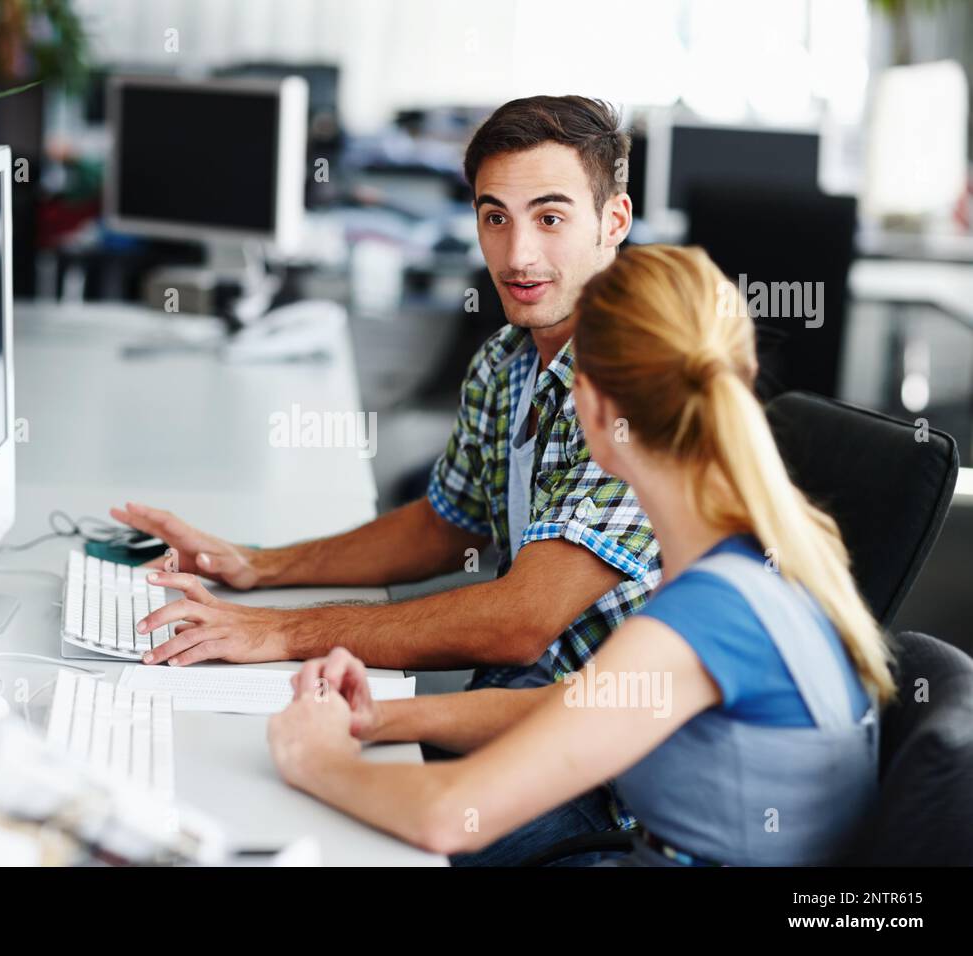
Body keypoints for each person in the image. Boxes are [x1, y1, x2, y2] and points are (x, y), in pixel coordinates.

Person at [117, 96, 657, 864]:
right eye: (494, 217)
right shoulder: (508, 359)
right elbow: (445, 524)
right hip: (513, 711)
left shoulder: (635, 379)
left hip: (608, 784)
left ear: (614, 220)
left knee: (285, 820)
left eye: (550, 217)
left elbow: (520, 620)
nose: (518, 256)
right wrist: (257, 565)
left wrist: (279, 631)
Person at [264, 245, 894, 866]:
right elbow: (576, 707)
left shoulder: (704, 617)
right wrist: (377, 719)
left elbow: (447, 816)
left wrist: (312, 759)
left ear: (589, 404)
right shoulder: (755, 564)